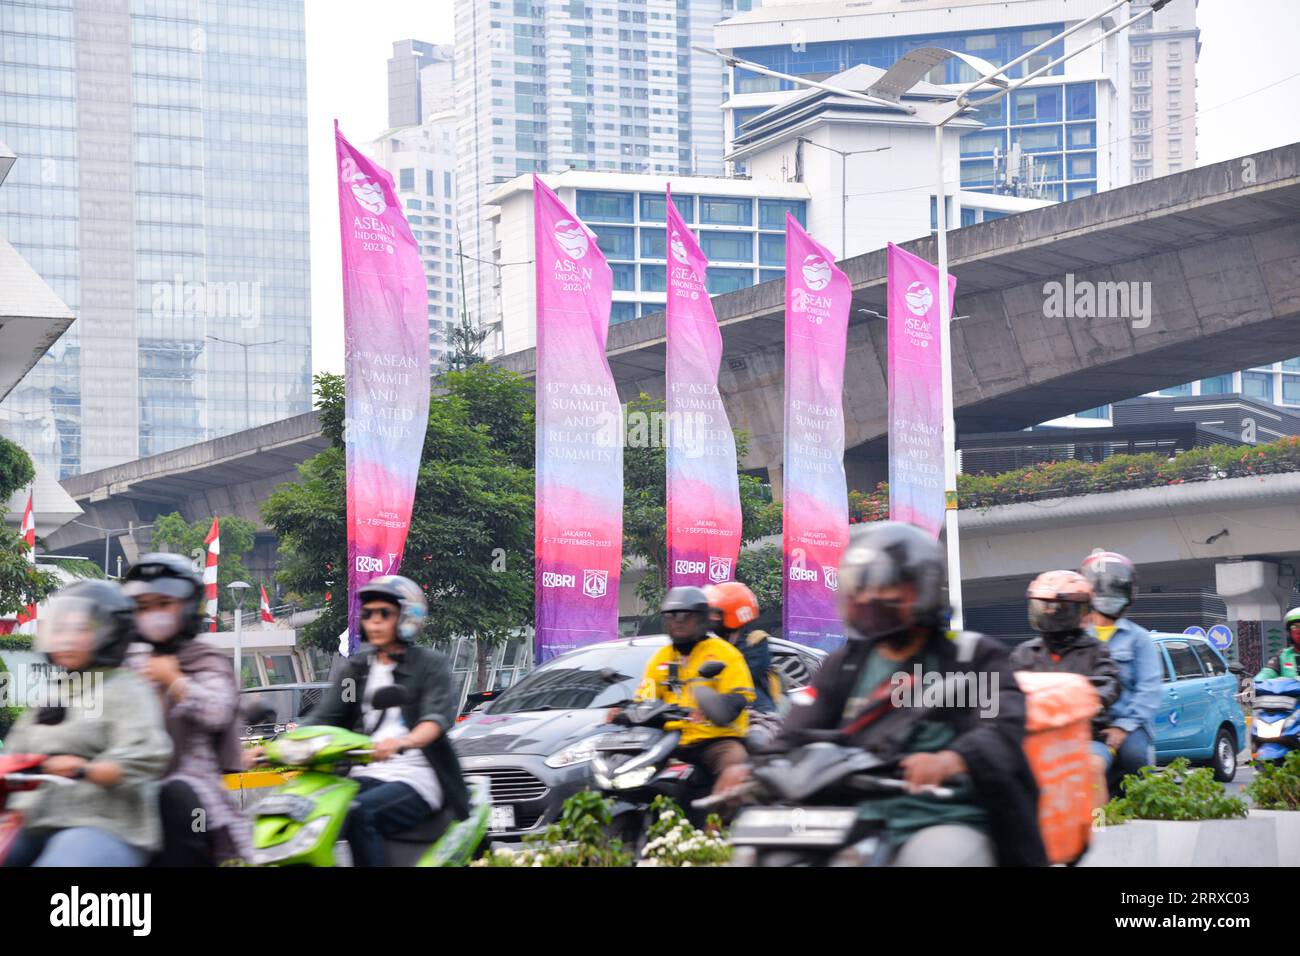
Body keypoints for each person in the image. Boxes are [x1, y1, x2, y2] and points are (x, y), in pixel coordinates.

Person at [717, 522, 1048, 867]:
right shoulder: (843, 666)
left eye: (887, 589)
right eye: (861, 588)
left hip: (945, 816)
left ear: (923, 589)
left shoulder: (970, 657)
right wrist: (752, 770)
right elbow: (794, 735)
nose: (870, 599)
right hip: (854, 817)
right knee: (756, 857)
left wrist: (952, 759)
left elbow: (1001, 730)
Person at [280, 575, 468, 867]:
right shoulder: (357, 668)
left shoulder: (430, 665)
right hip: (364, 773)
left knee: (359, 812)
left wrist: (404, 741)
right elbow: (325, 717)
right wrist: (275, 747)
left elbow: (435, 719)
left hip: (416, 776)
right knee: (302, 810)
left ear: (408, 617)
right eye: (368, 614)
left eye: (385, 614)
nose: (375, 622)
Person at [3, 580, 173, 867]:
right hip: (35, 821)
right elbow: (13, 752)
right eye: (61, 628)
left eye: (80, 629)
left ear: (110, 633)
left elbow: (148, 755)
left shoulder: (127, 689)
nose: (67, 638)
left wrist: (84, 769)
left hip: (105, 824)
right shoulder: (55, 691)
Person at [122, 553, 251, 866]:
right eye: (144, 606)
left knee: (177, 799)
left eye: (164, 604)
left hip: (196, 807)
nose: (154, 614)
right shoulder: (128, 663)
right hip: (130, 797)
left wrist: (175, 682)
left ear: (189, 606)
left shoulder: (206, 659)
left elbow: (217, 711)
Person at [622, 586, 756, 793]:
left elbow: (739, 697)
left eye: (686, 615)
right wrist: (625, 713)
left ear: (702, 619)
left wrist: (717, 707)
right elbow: (644, 699)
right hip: (670, 742)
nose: (678, 620)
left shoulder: (725, 654)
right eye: (671, 615)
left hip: (716, 741)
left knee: (735, 768)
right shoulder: (660, 659)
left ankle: (720, 824)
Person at [1010, 569, 1120, 804]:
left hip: (1085, 737)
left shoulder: (1096, 650)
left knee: (1091, 768)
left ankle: (1097, 828)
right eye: (1044, 606)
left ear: (1078, 610)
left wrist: (1089, 702)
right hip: (1033, 737)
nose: (1049, 612)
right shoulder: (1025, 653)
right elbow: (1004, 690)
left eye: (1057, 607)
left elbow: (1108, 685)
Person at [1080, 550, 1164, 793]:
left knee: (1135, 758)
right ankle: (1095, 824)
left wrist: (1122, 727)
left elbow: (1149, 689)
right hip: (1086, 725)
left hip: (1131, 724)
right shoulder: (1076, 637)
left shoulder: (1139, 638)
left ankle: (1135, 816)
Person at [705, 581, 779, 714]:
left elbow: (745, 675)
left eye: (716, 614)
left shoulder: (756, 640)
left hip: (756, 710)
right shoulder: (712, 643)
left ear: (733, 615)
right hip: (721, 708)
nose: (712, 619)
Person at [1255, 606, 1300, 680]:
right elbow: (1267, 672)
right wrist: (1254, 685)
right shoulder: (1284, 655)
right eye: (1295, 627)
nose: (1299, 630)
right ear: (1289, 632)